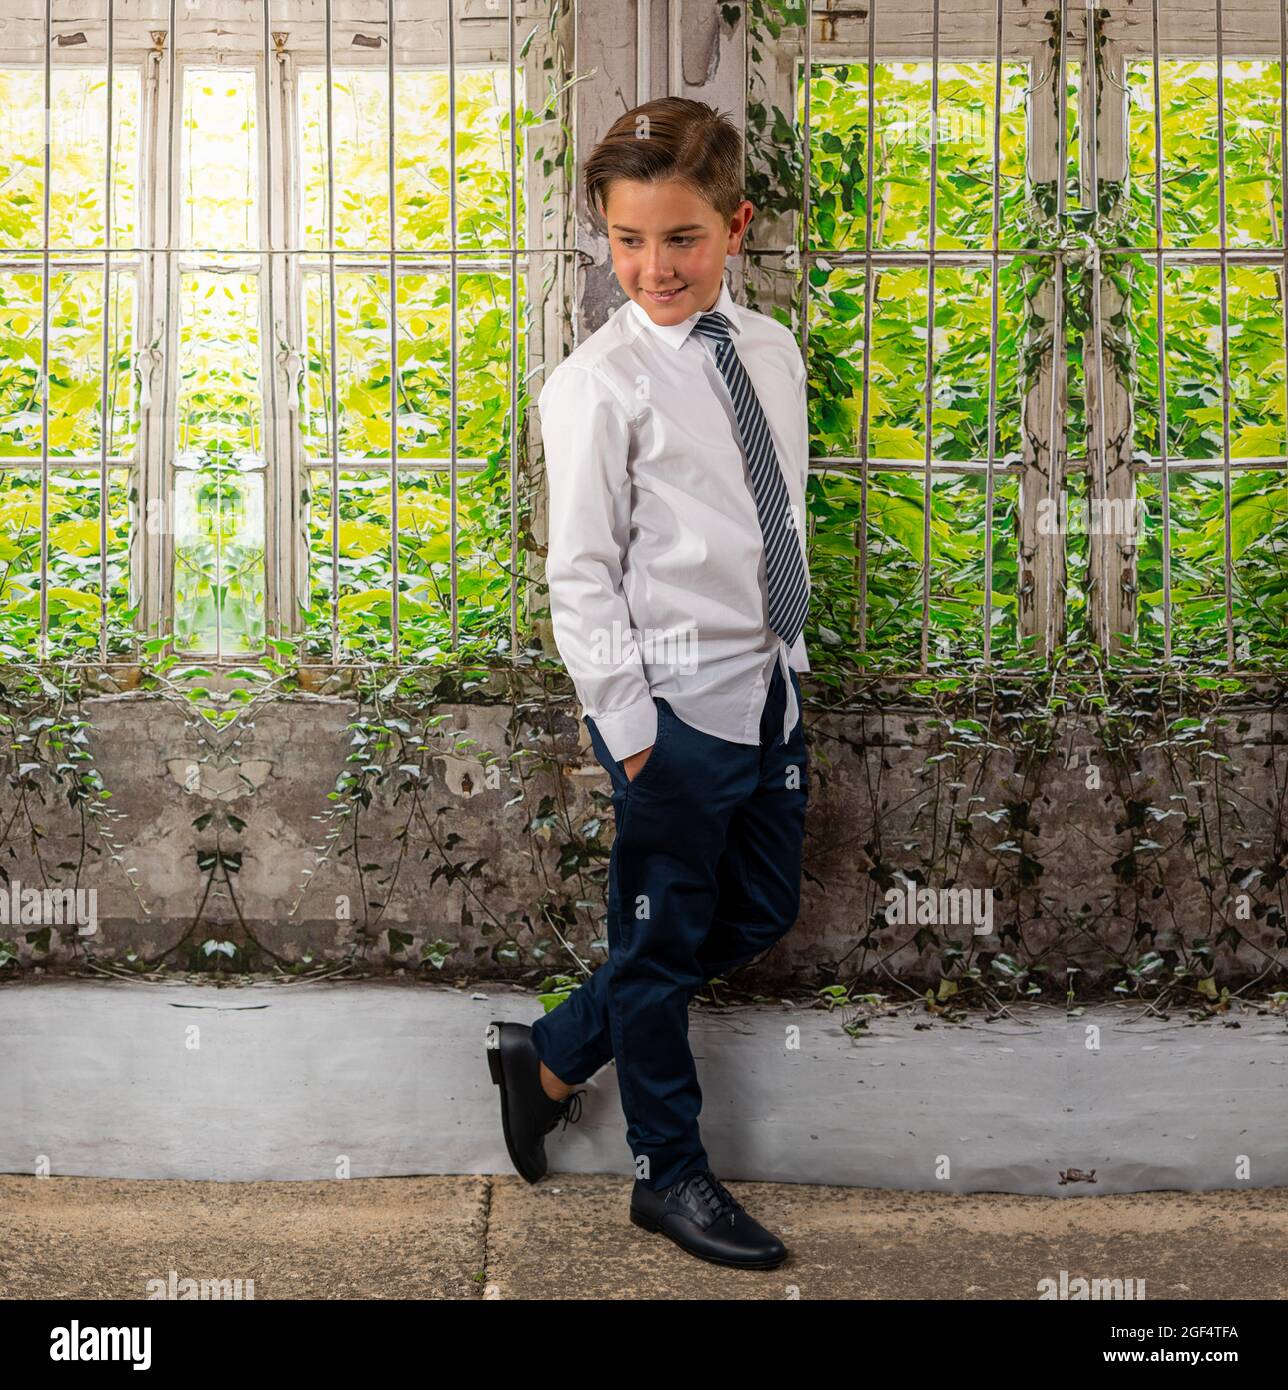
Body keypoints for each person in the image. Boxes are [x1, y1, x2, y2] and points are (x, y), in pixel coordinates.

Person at [487, 96, 810, 1271]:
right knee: (665, 950)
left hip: (766, 689)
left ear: (736, 225)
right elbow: (579, 575)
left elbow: (768, 515)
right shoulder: (595, 384)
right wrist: (632, 734)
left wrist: (792, 662)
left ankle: (556, 1051)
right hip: (670, 715)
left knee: (758, 912)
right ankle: (665, 1174)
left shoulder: (768, 350)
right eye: (628, 240)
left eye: (680, 239)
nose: (653, 267)